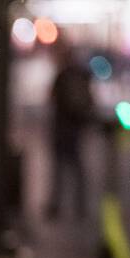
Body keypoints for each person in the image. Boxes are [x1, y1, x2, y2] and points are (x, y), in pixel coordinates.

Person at [46, 37, 95, 220]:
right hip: (76, 126)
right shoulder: (82, 74)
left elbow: (52, 97)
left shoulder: (63, 75)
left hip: (62, 127)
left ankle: (56, 205)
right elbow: (90, 100)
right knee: (77, 168)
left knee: (59, 169)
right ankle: (80, 206)